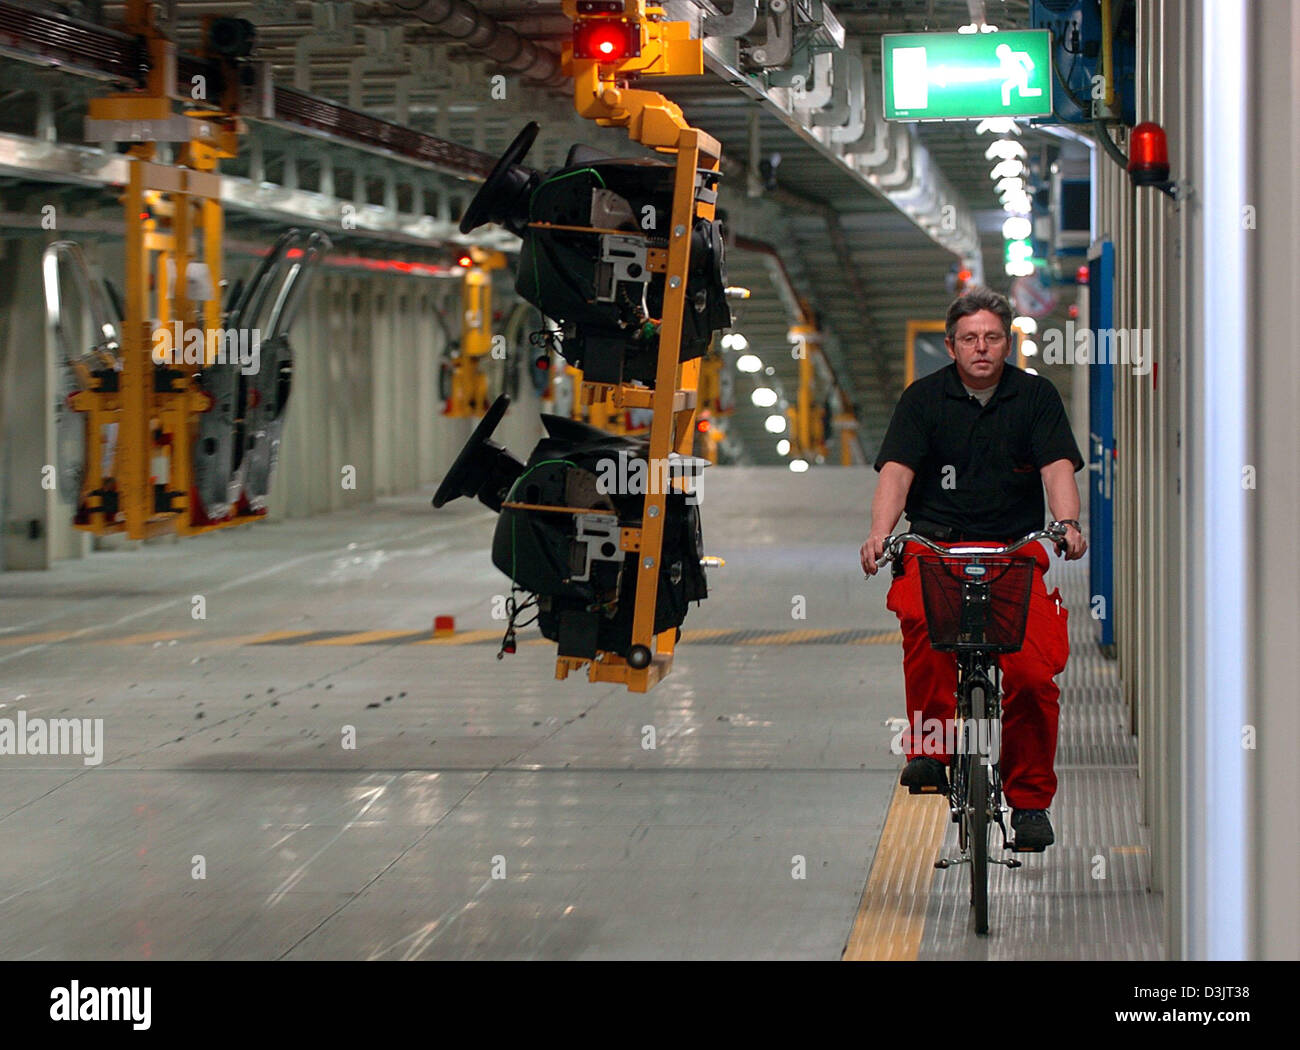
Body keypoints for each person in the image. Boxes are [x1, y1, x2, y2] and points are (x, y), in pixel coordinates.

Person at [860, 288, 1086, 850]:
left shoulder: (1035, 397)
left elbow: (1057, 466)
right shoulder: (922, 400)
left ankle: (1030, 802)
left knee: (1035, 674)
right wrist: (881, 533)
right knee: (923, 627)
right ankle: (931, 754)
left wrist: (1068, 522)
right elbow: (896, 473)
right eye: (969, 339)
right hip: (935, 550)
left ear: (1007, 342)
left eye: (991, 338)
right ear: (951, 345)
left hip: (1015, 552)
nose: (981, 348)